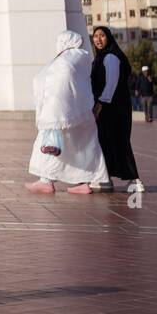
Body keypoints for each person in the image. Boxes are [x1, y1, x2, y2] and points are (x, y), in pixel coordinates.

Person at [26, 30, 109, 195]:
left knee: (50, 145)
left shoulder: (64, 60)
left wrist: (49, 112)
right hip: (83, 110)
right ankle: (85, 182)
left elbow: (53, 83)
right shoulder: (83, 56)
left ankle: (46, 181)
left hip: (60, 113)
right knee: (84, 146)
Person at [90, 25, 144, 193]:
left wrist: (99, 105)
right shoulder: (101, 57)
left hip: (114, 108)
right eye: (96, 36)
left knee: (119, 142)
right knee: (107, 142)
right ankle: (105, 178)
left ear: (109, 38)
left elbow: (111, 84)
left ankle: (135, 180)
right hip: (110, 107)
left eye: (102, 36)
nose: (98, 39)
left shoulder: (111, 57)